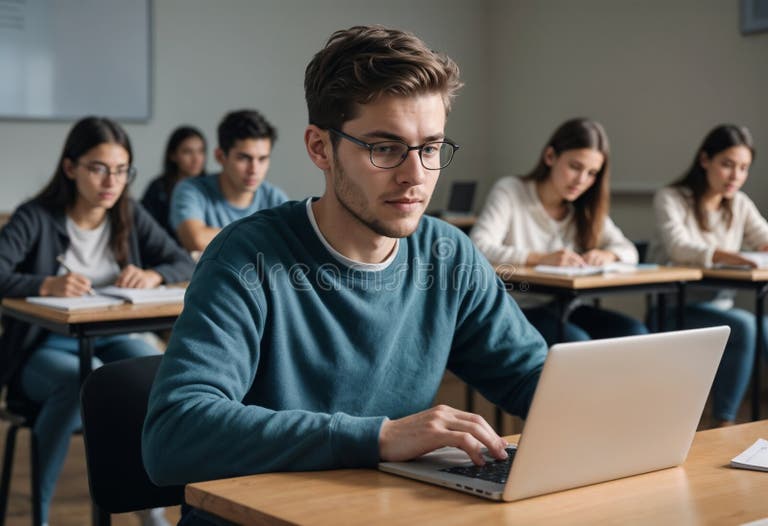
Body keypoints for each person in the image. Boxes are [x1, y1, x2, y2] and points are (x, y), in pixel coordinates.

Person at [143, 25, 548, 524]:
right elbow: (174, 434)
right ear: (320, 148)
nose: (416, 175)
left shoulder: (448, 255)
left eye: (430, 148)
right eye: (385, 148)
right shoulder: (245, 257)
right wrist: (378, 437)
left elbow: (533, 378)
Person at [0, 117, 194, 526]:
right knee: (82, 381)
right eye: (99, 168)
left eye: (122, 170)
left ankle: (149, 507)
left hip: (109, 336)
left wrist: (153, 274)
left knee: (153, 374)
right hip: (42, 346)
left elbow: (181, 260)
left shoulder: (129, 214)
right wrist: (45, 283)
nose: (112, 182)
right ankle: (39, 514)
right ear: (70, 168)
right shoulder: (36, 216)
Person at [470, 118, 648, 346]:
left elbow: (629, 251)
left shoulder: (584, 209)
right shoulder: (511, 191)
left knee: (635, 332)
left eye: (592, 173)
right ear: (550, 156)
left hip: (567, 306)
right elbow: (478, 247)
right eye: (575, 167)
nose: (581, 180)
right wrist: (541, 259)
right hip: (517, 307)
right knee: (577, 342)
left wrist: (608, 255)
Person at [647, 124, 768, 426]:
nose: (735, 176)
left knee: (763, 326)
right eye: (727, 164)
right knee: (746, 325)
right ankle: (724, 423)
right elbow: (678, 247)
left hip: (720, 310)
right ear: (705, 160)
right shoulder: (671, 197)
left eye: (743, 168)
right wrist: (727, 255)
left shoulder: (739, 204)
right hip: (673, 310)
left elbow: (764, 237)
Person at [169, 109, 288, 252]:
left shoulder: (276, 198)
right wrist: (266, 236)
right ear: (220, 157)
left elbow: (291, 246)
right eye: (244, 158)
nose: (254, 169)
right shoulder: (191, 190)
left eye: (262, 159)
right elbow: (197, 240)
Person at [141, 125, 207, 239]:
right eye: (187, 152)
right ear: (173, 155)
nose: (196, 159)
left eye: (200, 151)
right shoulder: (158, 188)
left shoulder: (211, 187)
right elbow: (145, 228)